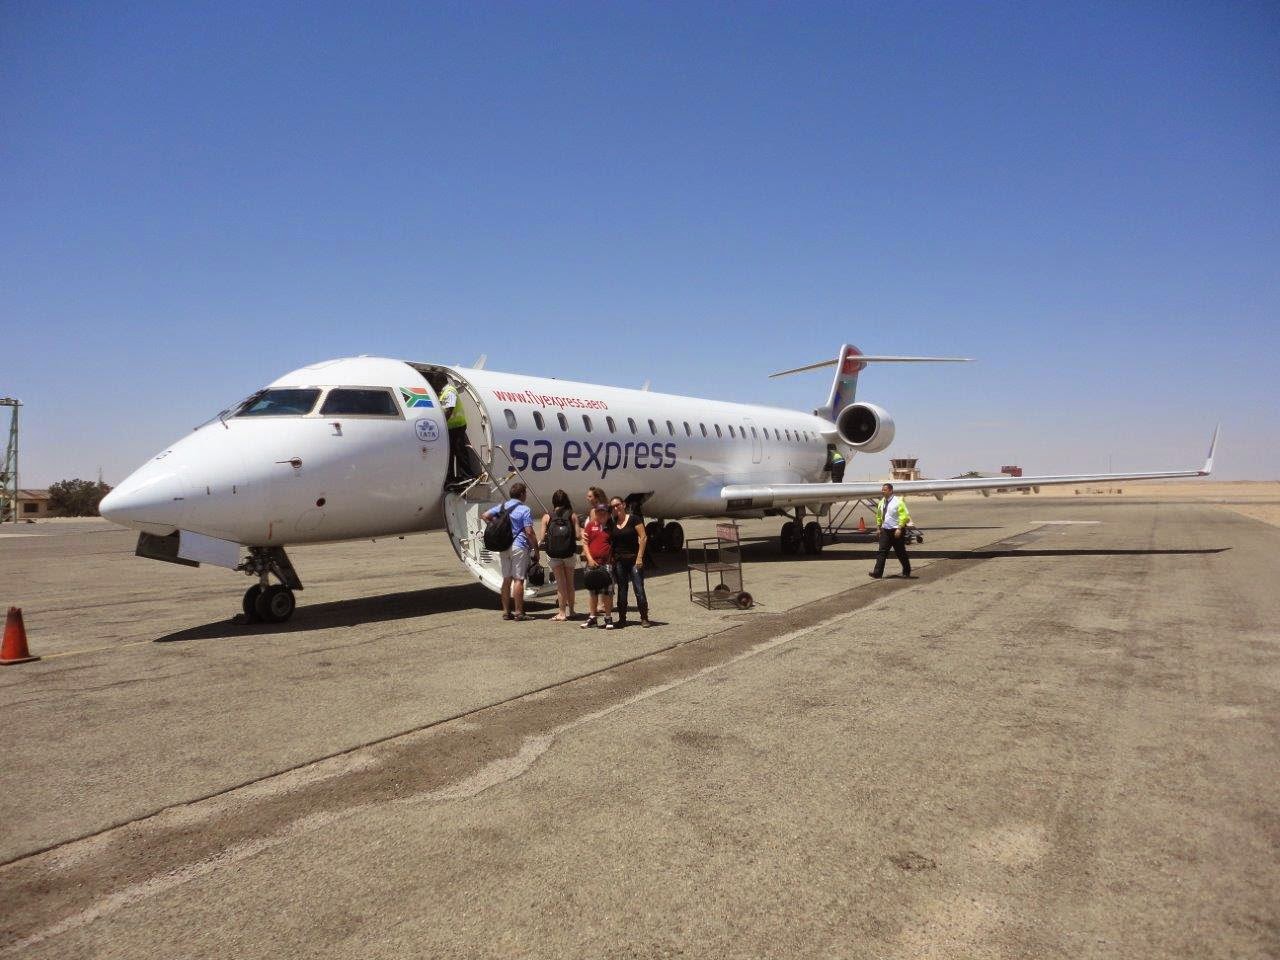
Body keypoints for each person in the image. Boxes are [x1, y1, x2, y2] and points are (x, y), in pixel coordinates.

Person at [483, 482, 538, 620]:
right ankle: (519, 612)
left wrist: (496, 524)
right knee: (519, 579)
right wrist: (536, 549)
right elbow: (529, 531)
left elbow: (485, 515)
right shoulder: (524, 509)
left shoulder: (502, 506)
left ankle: (506, 611)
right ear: (522, 495)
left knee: (506, 579)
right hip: (519, 546)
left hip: (504, 546)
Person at [608, 497, 651, 627]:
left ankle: (644, 618)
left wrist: (639, 557)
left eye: (618, 505)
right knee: (622, 590)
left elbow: (643, 537)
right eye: (613, 506)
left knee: (639, 588)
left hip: (634, 560)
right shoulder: (613, 522)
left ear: (624, 505)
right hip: (620, 561)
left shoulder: (634, 519)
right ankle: (622, 619)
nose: (616, 508)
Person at [540, 489, 581, 622]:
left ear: (553, 501)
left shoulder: (547, 516)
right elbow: (578, 535)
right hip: (569, 553)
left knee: (560, 584)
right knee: (570, 583)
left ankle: (562, 613)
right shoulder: (572, 515)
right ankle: (572, 611)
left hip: (554, 554)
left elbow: (542, 538)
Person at [431, 372, 473, 485]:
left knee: (460, 452)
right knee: (449, 453)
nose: (435, 385)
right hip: (451, 427)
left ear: (441, 381)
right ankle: (449, 477)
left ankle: (467, 477)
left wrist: (440, 425)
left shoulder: (449, 391)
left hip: (457, 426)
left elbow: (449, 409)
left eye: (435, 383)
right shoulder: (443, 392)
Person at [580, 501, 616, 629]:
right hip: (592, 563)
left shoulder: (611, 528)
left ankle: (608, 617)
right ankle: (592, 617)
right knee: (593, 592)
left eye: (603, 513)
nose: (601, 515)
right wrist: (589, 558)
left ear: (607, 515)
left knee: (607, 592)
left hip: (606, 563)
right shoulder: (590, 526)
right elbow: (585, 543)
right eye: (598, 512)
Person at [869, 482, 912, 579]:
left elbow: (904, 516)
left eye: (885, 490)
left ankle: (907, 570)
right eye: (882, 490)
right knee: (881, 552)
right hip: (885, 530)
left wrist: (899, 528)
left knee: (900, 552)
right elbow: (879, 515)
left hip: (896, 530)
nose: (882, 491)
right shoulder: (882, 502)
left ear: (891, 490)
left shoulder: (898, 501)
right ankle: (877, 573)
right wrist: (878, 527)